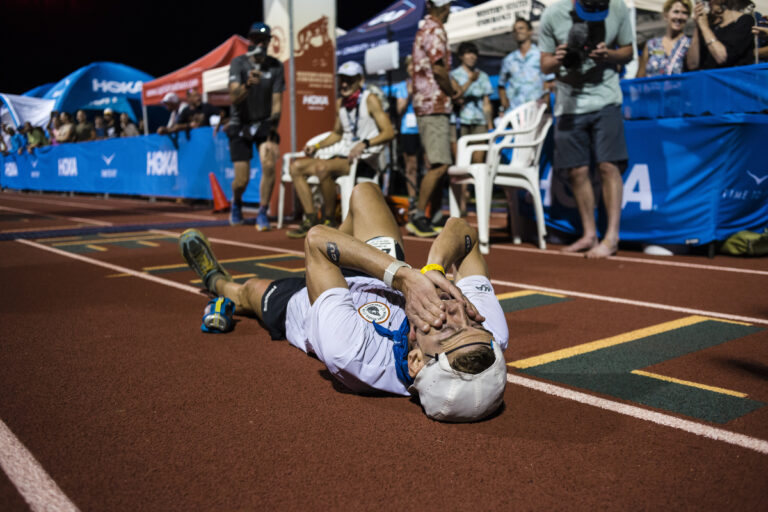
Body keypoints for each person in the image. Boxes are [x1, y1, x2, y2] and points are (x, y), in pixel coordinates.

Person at [179, 182, 509, 422]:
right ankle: (334, 257)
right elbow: (463, 230)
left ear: (415, 362)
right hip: (379, 273)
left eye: (448, 330)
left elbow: (317, 239)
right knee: (364, 191)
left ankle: (214, 280)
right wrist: (434, 266)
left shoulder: (352, 352)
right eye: (471, 323)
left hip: (307, 304)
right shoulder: (488, 334)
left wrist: (405, 278)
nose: (454, 310)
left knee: (247, 292)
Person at [540, 0, 633, 259]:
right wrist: (558, 60)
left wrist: (609, 55)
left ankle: (611, 237)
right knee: (577, 171)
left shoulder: (618, 8)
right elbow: (544, 65)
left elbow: (628, 52)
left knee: (608, 166)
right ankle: (589, 234)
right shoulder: (552, 14)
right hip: (569, 103)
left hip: (606, 98)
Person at [287, 61, 395, 238]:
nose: (344, 84)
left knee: (322, 168)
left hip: (363, 160)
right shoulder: (341, 104)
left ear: (360, 80)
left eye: (349, 80)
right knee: (296, 167)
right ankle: (310, 218)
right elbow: (337, 134)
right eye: (342, 79)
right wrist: (315, 146)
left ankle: (330, 219)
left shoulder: (370, 99)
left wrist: (365, 143)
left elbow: (389, 132)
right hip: (342, 156)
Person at [408, 0, 459, 238]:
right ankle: (418, 215)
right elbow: (439, 70)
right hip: (434, 104)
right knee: (439, 165)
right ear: (445, 7)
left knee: (440, 163)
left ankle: (435, 215)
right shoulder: (436, 29)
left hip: (427, 104)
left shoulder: (423, 28)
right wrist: (453, 92)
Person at [227, 21, 285, 230]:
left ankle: (262, 211)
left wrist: (272, 129)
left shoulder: (276, 66)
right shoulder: (238, 63)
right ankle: (237, 202)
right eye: (255, 39)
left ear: (269, 42)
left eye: (263, 39)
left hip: (263, 123)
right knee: (241, 181)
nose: (259, 43)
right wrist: (247, 85)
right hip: (239, 124)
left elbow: (277, 102)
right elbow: (234, 98)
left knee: (269, 163)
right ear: (250, 40)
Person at [394, 55, 430, 211]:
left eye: (414, 65)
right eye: (409, 66)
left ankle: (427, 197)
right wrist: (408, 94)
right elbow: (399, 110)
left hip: (425, 127)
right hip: (408, 129)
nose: (412, 68)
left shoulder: (427, 84)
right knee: (411, 166)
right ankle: (412, 199)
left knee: (428, 164)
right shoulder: (402, 86)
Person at [498, 18, 556, 114]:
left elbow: (549, 81)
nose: (518, 31)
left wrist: (546, 104)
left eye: (521, 28)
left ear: (530, 31)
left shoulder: (540, 55)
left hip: (536, 110)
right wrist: (504, 102)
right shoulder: (509, 59)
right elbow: (501, 84)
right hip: (515, 111)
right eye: (515, 30)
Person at [687, 0, 755, 70]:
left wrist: (704, 27)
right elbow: (692, 64)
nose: (706, 3)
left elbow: (722, 58)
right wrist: (697, 26)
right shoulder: (709, 26)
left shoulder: (744, 21)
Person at [638, 0, 692, 77]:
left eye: (684, 13)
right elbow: (640, 76)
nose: (679, 17)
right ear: (666, 15)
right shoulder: (652, 44)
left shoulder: (689, 44)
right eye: (676, 12)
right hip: (652, 88)